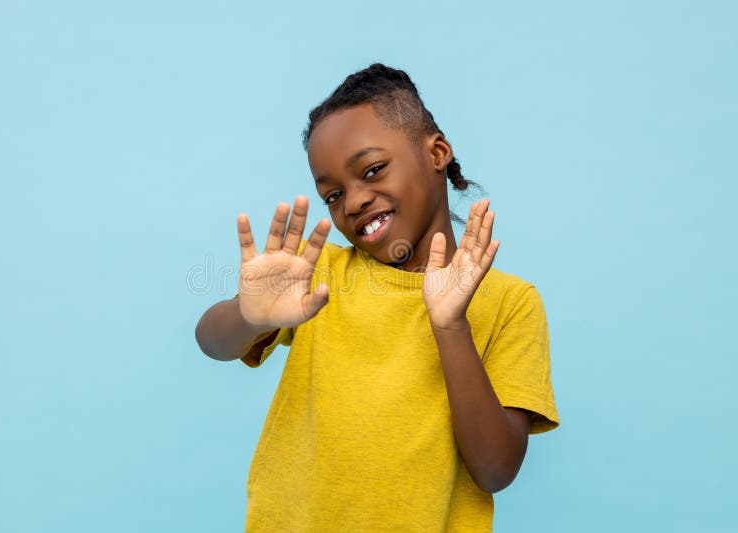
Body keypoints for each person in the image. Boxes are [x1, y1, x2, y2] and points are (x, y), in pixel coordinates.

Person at [195, 63, 560, 532]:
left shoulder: (511, 302)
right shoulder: (321, 273)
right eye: (332, 194)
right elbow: (211, 342)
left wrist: (450, 326)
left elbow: (494, 470)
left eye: (372, 170)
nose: (353, 202)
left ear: (437, 152)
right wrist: (247, 317)